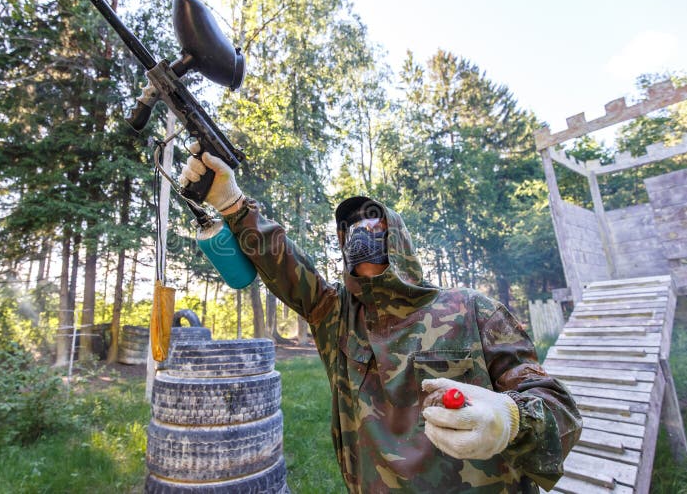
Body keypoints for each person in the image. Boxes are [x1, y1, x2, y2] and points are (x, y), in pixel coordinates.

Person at [180, 145, 582, 493]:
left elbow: (558, 408)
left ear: (399, 238)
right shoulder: (335, 314)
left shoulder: (471, 309)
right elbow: (285, 264)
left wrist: (509, 419)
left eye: (374, 219)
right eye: (351, 225)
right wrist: (232, 202)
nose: (360, 229)